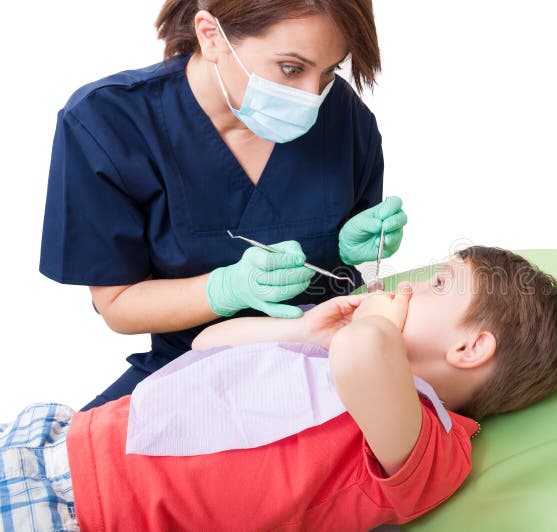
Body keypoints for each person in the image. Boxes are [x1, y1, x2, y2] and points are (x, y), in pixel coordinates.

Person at [2, 247, 557, 531]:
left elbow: (366, 357)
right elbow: (208, 346)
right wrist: (299, 329)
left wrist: (374, 327)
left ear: (470, 348)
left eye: (440, 283)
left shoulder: (427, 435)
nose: (409, 285)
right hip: (65, 439)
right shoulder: (339, 349)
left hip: (88, 514)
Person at [38, 0, 407, 411]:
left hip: (326, 362)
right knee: (80, 460)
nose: (312, 96)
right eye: (290, 68)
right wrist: (224, 288)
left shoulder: (347, 120)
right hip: (186, 366)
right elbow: (118, 306)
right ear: (211, 36)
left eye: (329, 71)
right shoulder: (107, 124)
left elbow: (346, 274)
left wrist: (346, 249)